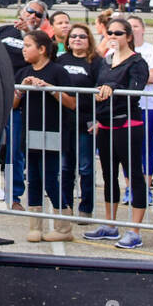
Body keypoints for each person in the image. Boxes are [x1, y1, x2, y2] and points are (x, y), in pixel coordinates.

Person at [84, 19, 151, 248]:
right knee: (108, 175)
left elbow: (135, 90)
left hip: (127, 124)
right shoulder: (106, 61)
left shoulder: (137, 62)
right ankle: (110, 225)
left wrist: (114, 90)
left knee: (133, 175)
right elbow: (96, 86)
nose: (113, 35)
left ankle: (134, 230)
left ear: (129, 36)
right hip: (105, 124)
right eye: (109, 32)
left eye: (118, 32)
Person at [12, 32, 75, 242]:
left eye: (28, 45)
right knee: (34, 179)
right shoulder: (23, 72)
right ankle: (35, 224)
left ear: (42, 49)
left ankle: (63, 226)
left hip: (53, 132)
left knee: (50, 177)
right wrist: (21, 91)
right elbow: (13, 104)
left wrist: (49, 88)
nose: (24, 49)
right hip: (30, 131)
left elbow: (71, 102)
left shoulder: (58, 72)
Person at [0, 0, 49, 209]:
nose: (33, 16)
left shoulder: (41, 40)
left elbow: (39, 60)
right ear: (21, 10)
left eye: (39, 15)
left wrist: (29, 33)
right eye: (30, 11)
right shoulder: (4, 31)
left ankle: (15, 196)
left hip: (19, 101)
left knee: (15, 152)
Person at [56, 23, 100, 225]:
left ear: (89, 40)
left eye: (82, 36)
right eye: (73, 36)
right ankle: (65, 206)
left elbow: (101, 93)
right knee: (65, 168)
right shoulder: (61, 60)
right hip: (64, 123)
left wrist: (98, 119)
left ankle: (86, 208)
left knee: (85, 168)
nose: (77, 39)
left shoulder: (96, 62)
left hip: (85, 123)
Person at [128, 16, 153, 196]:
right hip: (126, 107)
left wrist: (130, 78)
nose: (133, 30)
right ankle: (130, 187)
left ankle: (146, 188)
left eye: (136, 26)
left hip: (148, 106)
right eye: (130, 26)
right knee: (128, 149)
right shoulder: (118, 51)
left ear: (142, 29)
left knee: (146, 147)